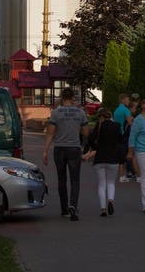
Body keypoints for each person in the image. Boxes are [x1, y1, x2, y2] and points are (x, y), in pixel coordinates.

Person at [43, 88, 89, 221]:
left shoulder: (56, 113)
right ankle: (73, 205)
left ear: (62, 97)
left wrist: (45, 150)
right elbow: (86, 132)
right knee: (75, 180)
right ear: (73, 97)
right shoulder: (80, 113)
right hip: (74, 148)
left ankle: (64, 209)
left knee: (61, 179)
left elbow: (50, 132)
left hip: (59, 149)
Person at [84, 109, 120, 217]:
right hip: (113, 158)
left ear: (100, 117)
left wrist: (96, 148)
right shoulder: (117, 126)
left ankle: (103, 208)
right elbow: (120, 140)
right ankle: (110, 200)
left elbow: (90, 139)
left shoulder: (99, 127)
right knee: (111, 182)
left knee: (101, 183)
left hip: (99, 158)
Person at [113, 92, 136, 182]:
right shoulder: (126, 110)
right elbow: (130, 123)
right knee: (129, 155)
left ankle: (123, 175)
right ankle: (127, 175)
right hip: (125, 135)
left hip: (118, 134)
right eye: (127, 99)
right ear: (123, 100)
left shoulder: (116, 110)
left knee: (121, 155)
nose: (129, 101)